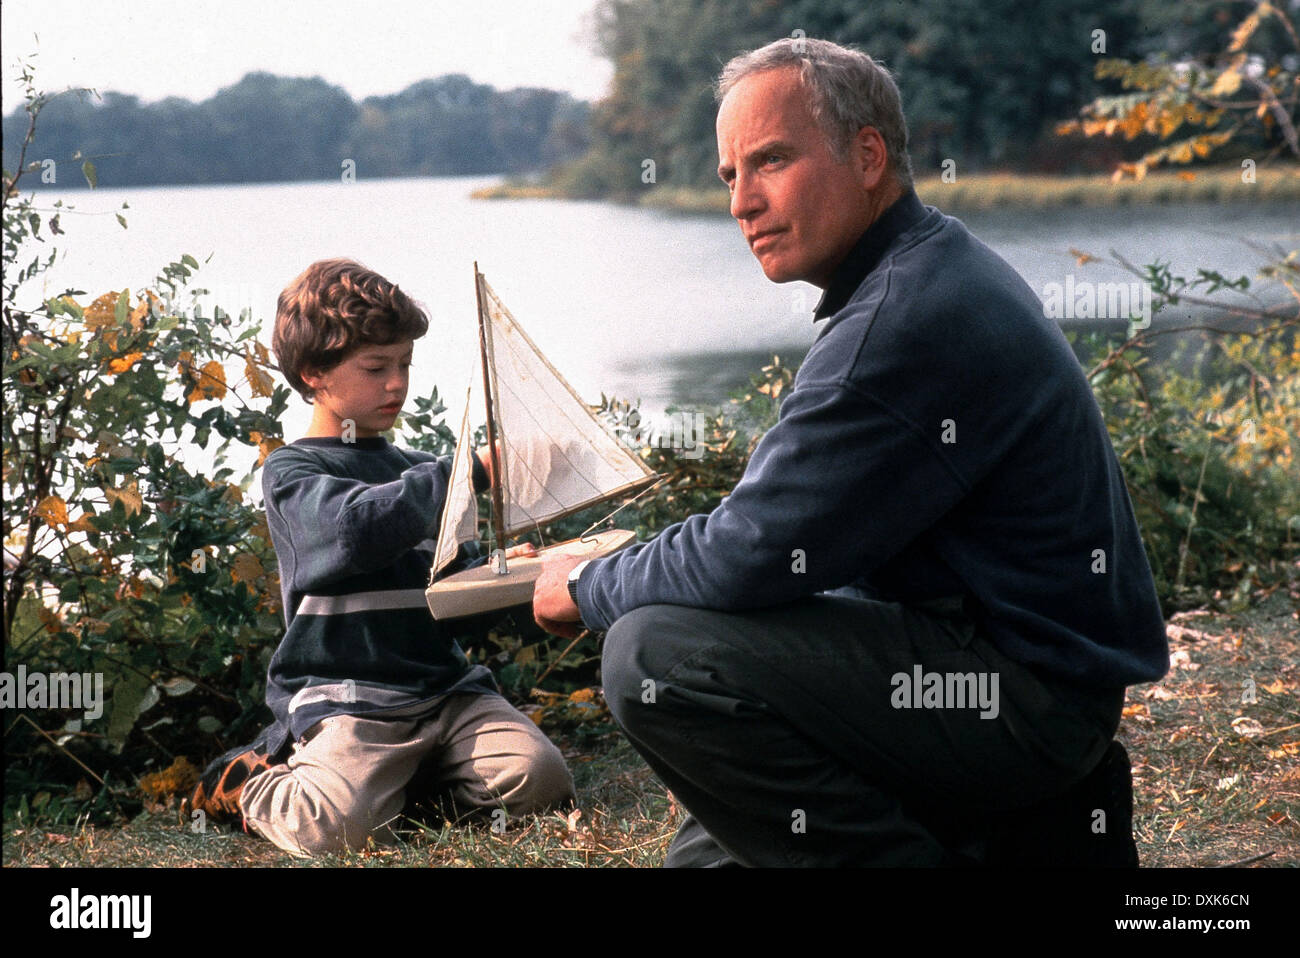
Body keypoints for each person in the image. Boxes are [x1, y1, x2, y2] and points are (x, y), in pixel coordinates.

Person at [533, 38, 1169, 866]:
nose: (740, 204)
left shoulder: (901, 319)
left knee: (653, 652)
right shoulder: (925, 266)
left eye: (770, 161)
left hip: (1028, 707)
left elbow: (751, 551)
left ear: (868, 155)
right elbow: (776, 528)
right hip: (1003, 675)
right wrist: (635, 562)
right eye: (731, 176)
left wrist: (586, 584)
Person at [187, 257, 573, 857]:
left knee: (540, 781)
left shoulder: (418, 471)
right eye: (375, 368)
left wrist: (506, 577)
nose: (396, 384)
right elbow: (358, 530)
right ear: (314, 373)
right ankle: (247, 785)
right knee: (333, 835)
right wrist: (468, 470)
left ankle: (401, 792)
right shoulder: (293, 474)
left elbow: (456, 608)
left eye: (404, 366)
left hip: (446, 692)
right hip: (351, 699)